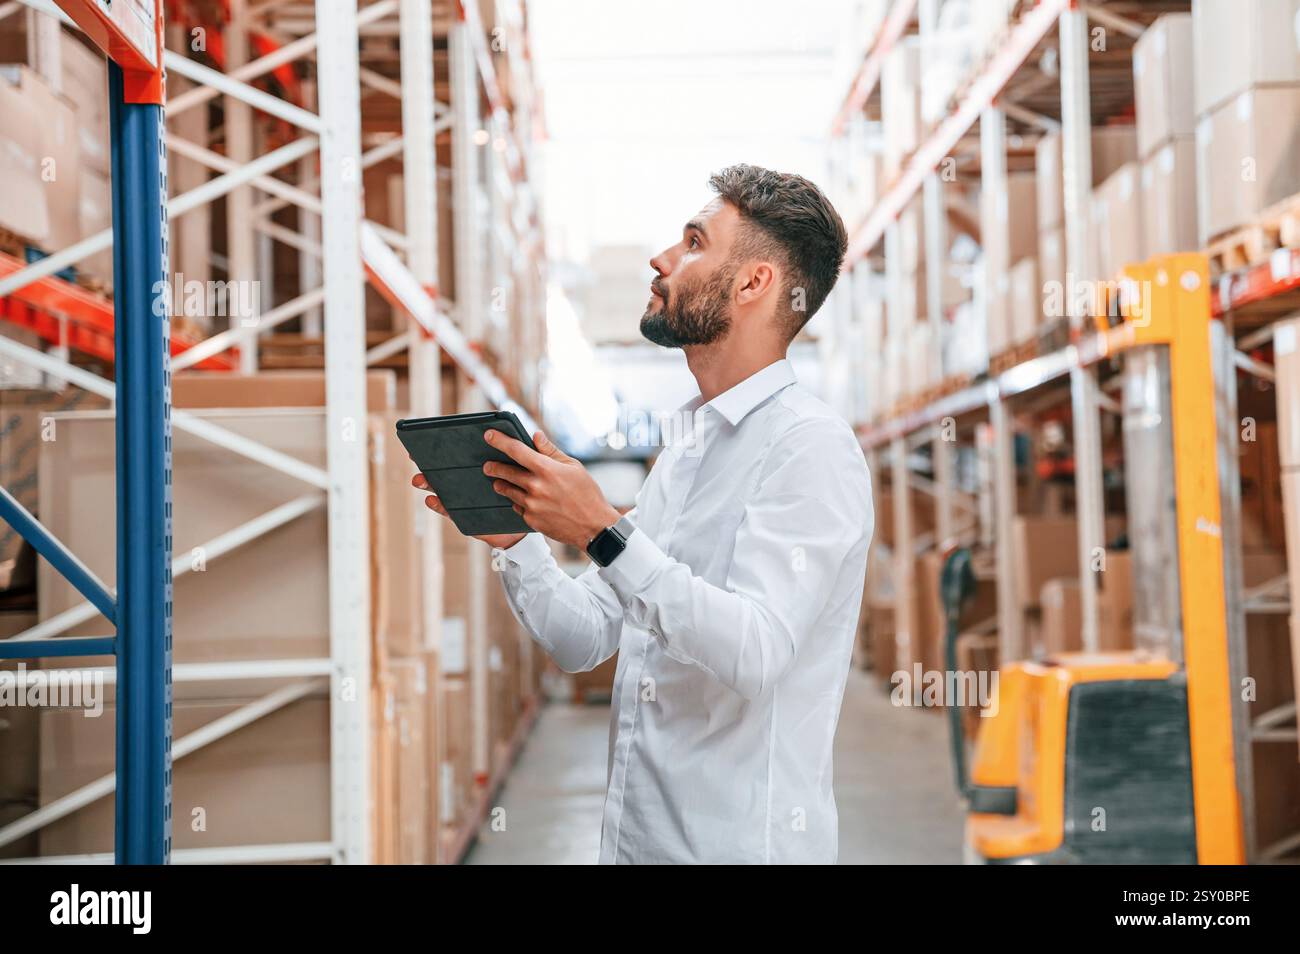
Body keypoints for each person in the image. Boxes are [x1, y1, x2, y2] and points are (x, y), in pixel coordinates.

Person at [414, 163, 874, 863]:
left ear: (755, 283)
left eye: (693, 242)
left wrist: (601, 529)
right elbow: (581, 639)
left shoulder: (810, 448)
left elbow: (755, 653)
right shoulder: (687, 452)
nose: (661, 260)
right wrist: (516, 535)